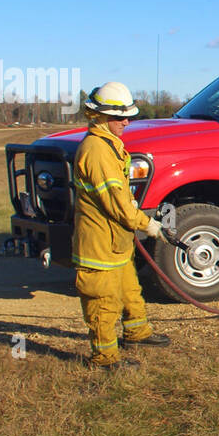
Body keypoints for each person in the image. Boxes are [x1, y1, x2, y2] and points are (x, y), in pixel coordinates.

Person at [72, 82, 170, 370]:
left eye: (128, 116)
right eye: (119, 117)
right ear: (99, 117)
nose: (126, 121)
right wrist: (149, 225)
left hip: (116, 242)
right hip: (98, 246)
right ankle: (104, 358)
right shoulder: (97, 151)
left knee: (129, 290)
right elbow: (117, 204)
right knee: (103, 301)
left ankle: (137, 332)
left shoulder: (110, 145)